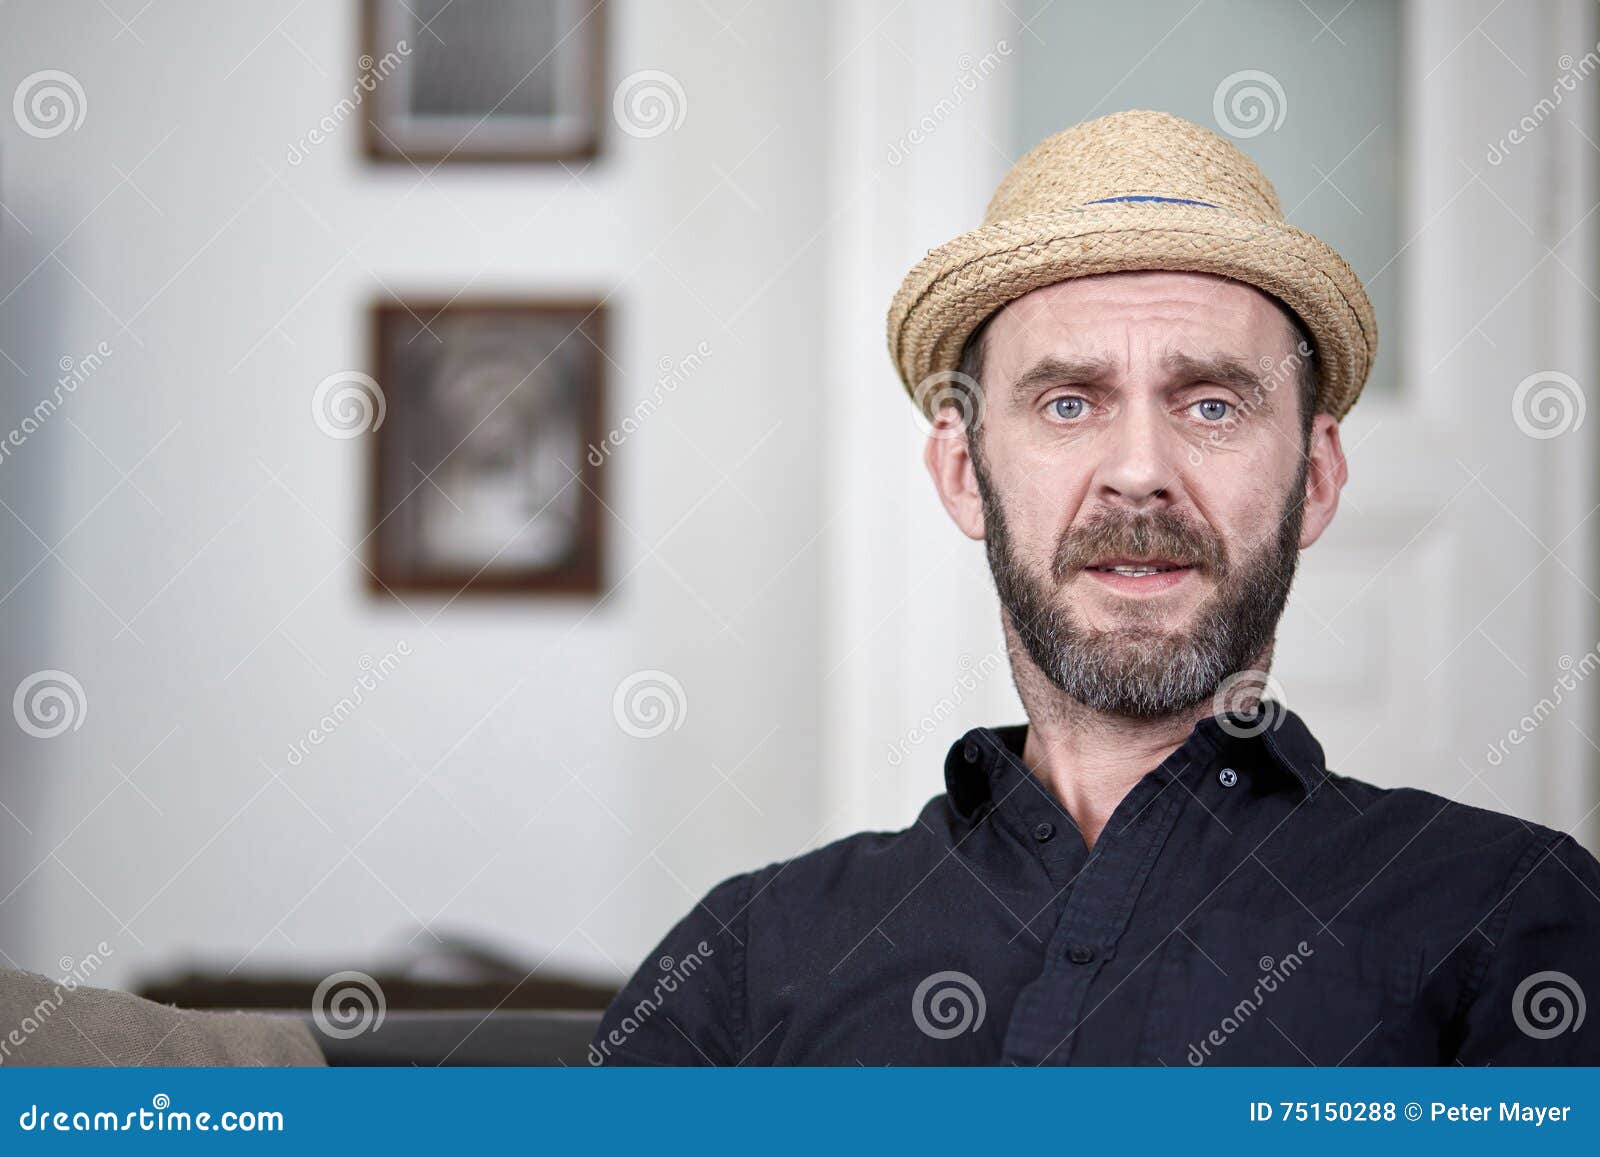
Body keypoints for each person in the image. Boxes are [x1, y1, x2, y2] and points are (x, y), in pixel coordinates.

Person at [592, 110, 1600, 1065]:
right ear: (960, 472)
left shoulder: (1509, 912)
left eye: (1211, 402)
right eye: (1067, 401)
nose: (1137, 469)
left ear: (1318, 477)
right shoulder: (749, 949)